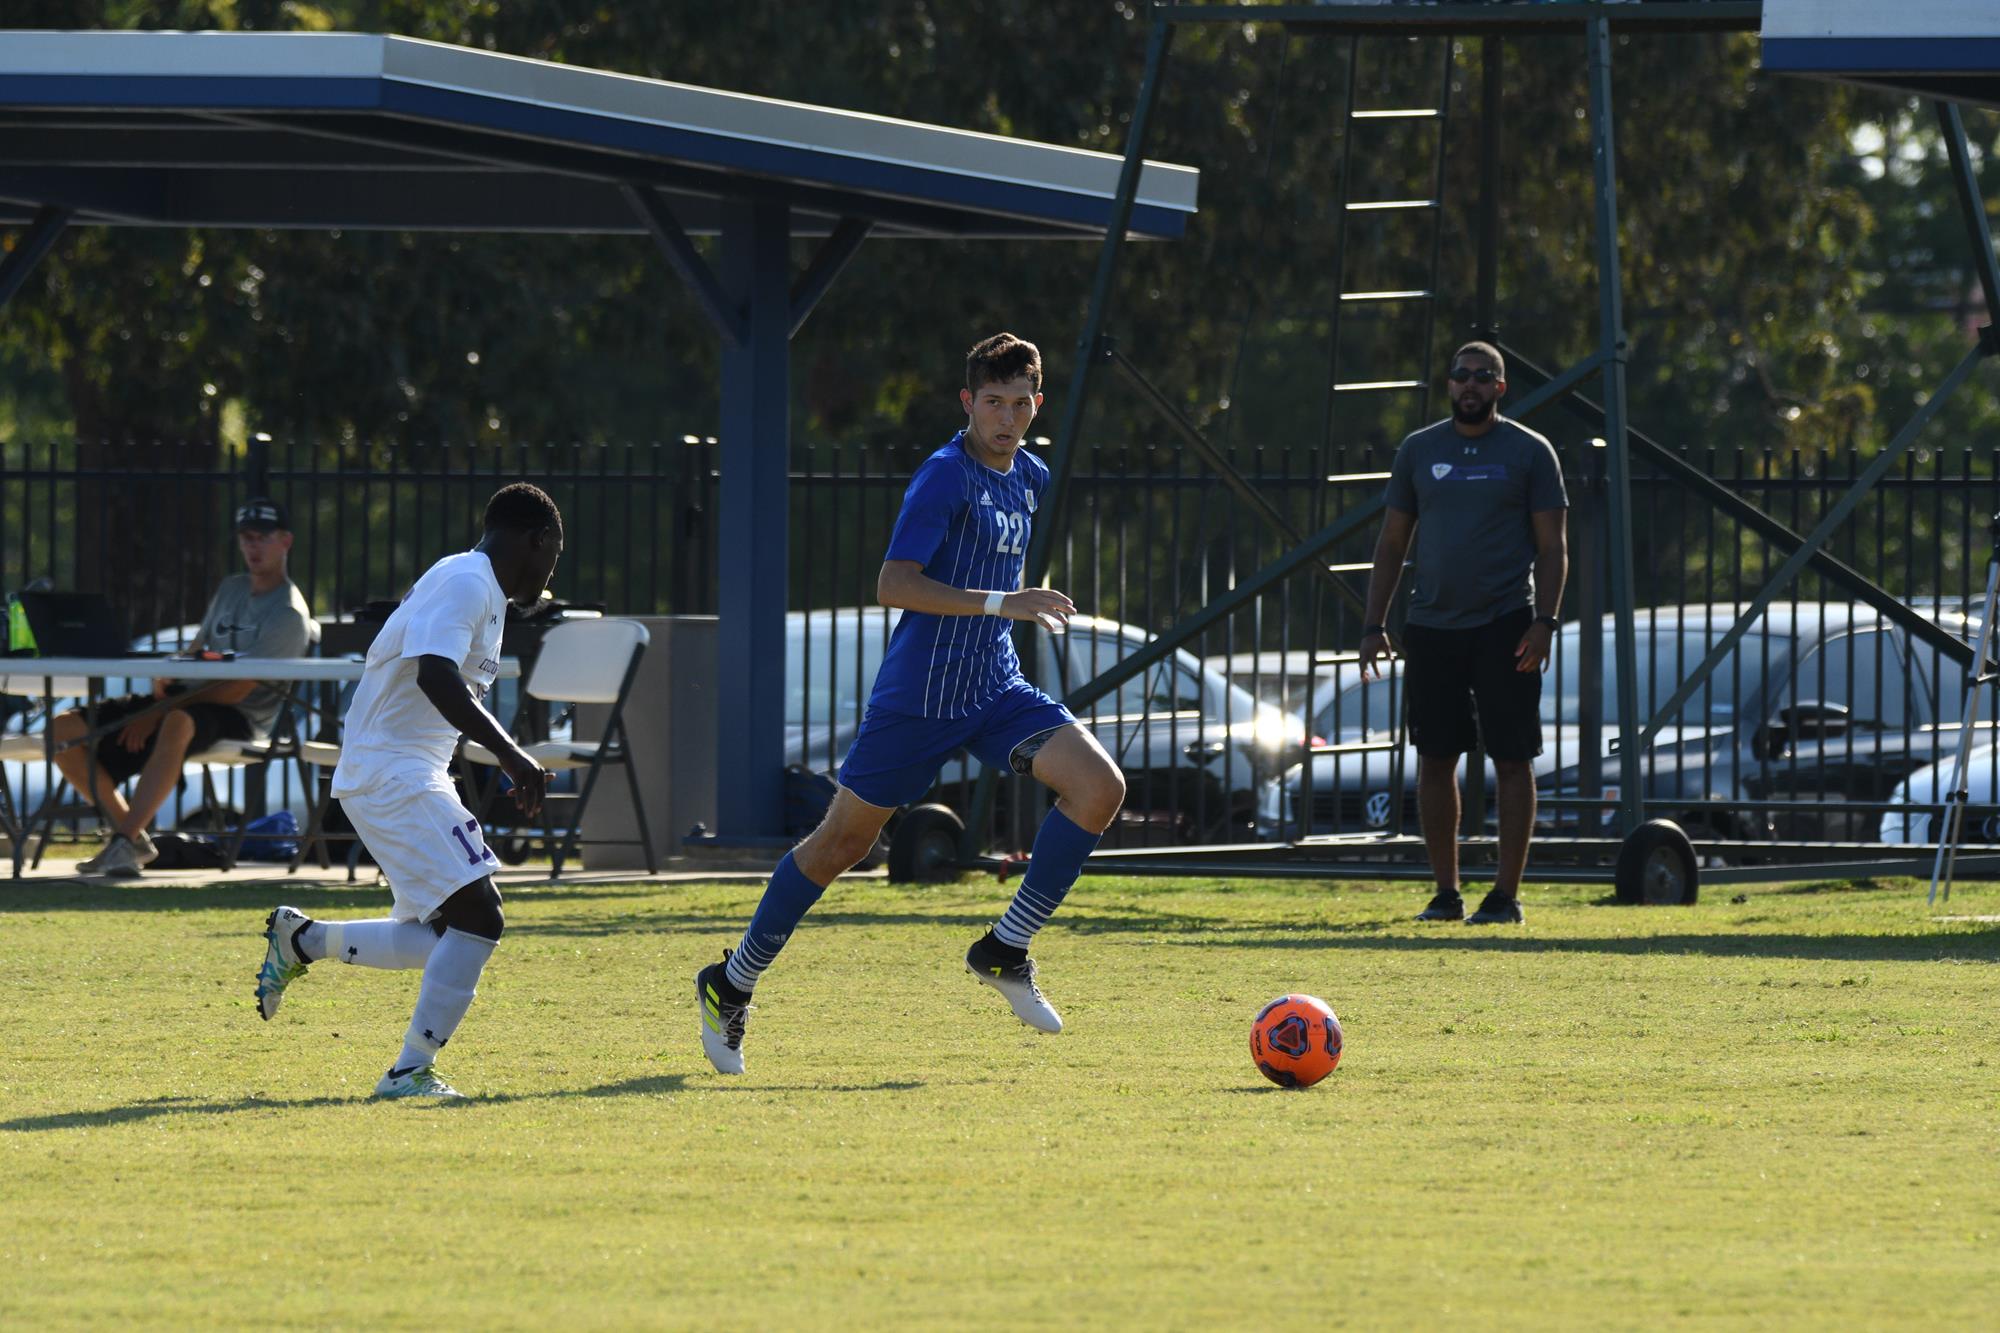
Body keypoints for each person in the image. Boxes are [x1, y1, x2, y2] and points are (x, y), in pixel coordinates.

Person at [695, 332, 1126, 1075]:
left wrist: (1006, 611)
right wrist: (1004, 602)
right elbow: (893, 584)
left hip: (994, 689)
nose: (1006, 417)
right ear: (967, 402)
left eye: (1020, 403)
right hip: (919, 699)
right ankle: (730, 982)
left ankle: (1005, 949)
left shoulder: (1031, 475)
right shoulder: (943, 475)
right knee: (841, 845)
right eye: (992, 402)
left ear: (1037, 404)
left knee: (1100, 787)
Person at [252, 483, 559, 1100]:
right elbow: (435, 676)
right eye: (555, 554)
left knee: (448, 934)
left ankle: (303, 939)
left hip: (401, 773)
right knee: (481, 915)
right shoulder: (468, 582)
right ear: (537, 541)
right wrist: (511, 753)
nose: (553, 570)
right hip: (394, 773)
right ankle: (408, 1072)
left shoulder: (475, 584)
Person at [1357, 341, 1568, 925]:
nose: (1469, 384)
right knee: (1434, 758)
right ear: (1449, 384)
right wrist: (1374, 624)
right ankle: (1446, 893)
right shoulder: (1419, 450)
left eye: (1482, 376)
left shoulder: (1530, 451)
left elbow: (1553, 548)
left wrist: (1545, 622)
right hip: (1432, 626)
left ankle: (1505, 896)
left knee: (1513, 758)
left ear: (1500, 387)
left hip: (1508, 626)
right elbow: (1392, 543)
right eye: (1460, 375)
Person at [55, 497, 315, 878]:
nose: (253, 546)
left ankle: (123, 842)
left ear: (286, 541)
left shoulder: (289, 613)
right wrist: (170, 673)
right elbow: (197, 649)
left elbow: (238, 690)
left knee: (178, 721)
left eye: (263, 537)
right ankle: (132, 837)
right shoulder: (231, 588)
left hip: (239, 715)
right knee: (62, 730)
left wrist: (160, 711)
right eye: (247, 537)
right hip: (185, 700)